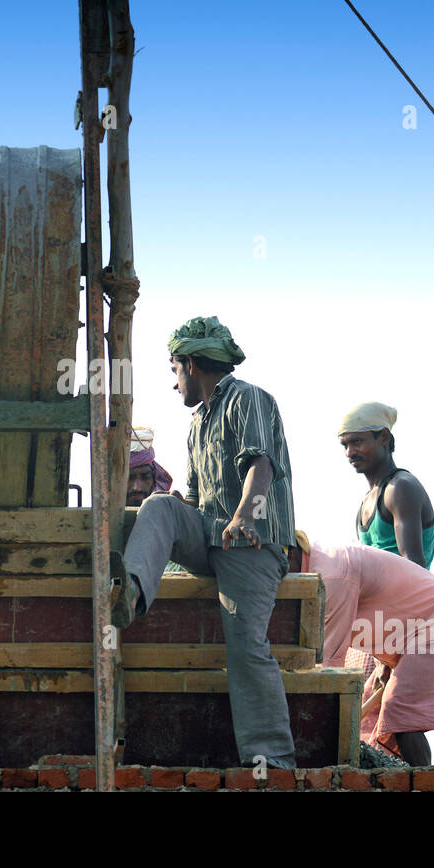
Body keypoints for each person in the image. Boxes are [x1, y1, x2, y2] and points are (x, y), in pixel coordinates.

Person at [111, 316, 297, 769]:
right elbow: (193, 500)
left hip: (252, 544)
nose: (174, 385)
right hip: (212, 538)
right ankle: (129, 595)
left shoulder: (247, 398)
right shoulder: (197, 426)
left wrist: (243, 516)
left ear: (191, 364)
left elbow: (260, 466)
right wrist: (177, 514)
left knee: (246, 647)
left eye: (174, 371)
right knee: (159, 505)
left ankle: (272, 763)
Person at [312, 542, 434, 766]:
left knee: (399, 711)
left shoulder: (333, 576)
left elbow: (329, 673)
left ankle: (426, 784)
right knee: (372, 723)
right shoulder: (320, 571)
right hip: (396, 639)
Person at [338, 402, 434, 569]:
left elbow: (414, 566)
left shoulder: (400, 488)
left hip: (408, 595)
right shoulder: (367, 501)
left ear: (384, 437)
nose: (350, 452)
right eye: (345, 445)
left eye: (357, 442)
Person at [126, 426, 173, 507]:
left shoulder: (168, 513)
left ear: (154, 478)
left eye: (145, 477)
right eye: (129, 478)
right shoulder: (98, 513)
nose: (137, 488)